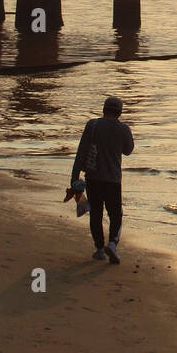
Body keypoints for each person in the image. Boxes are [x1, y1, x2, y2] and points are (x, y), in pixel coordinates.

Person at [70, 96, 134, 265]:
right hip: (113, 179)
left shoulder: (93, 125)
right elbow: (128, 151)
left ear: (104, 109)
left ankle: (99, 248)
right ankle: (113, 243)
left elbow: (81, 151)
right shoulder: (123, 129)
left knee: (96, 213)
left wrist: (74, 176)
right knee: (115, 213)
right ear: (119, 112)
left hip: (93, 177)